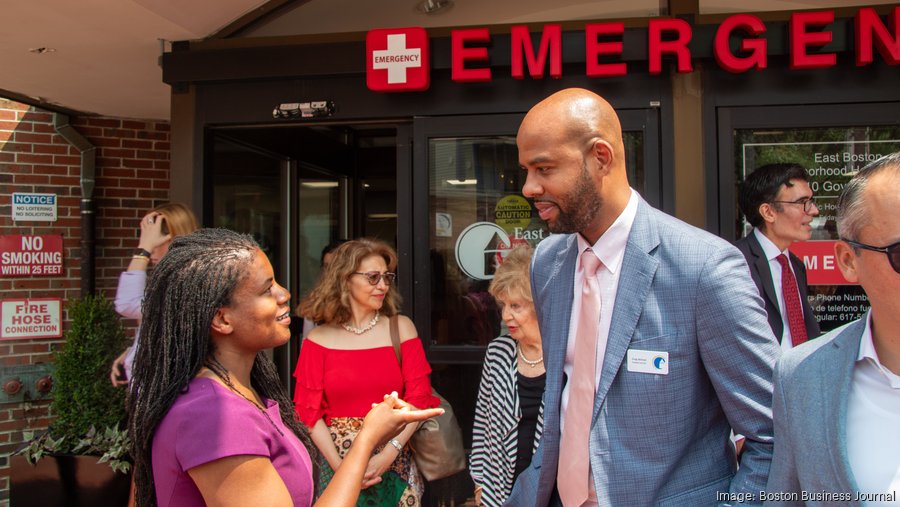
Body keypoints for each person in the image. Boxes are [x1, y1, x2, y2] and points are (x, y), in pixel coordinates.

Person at [507, 88, 780, 507]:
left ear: (601, 157)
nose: (528, 187)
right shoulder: (548, 261)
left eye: (544, 168)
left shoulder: (703, 269)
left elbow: (772, 436)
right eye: (526, 169)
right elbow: (567, 400)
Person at [127, 228, 443, 507]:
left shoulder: (242, 396)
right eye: (267, 289)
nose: (284, 294)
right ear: (222, 319)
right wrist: (365, 442)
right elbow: (309, 410)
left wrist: (381, 448)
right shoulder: (214, 417)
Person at [766, 153, 900, 506]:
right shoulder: (802, 377)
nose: (810, 211)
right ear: (847, 261)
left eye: (812, 202)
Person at [294, 238, 440, 506]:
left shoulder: (401, 328)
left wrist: (386, 457)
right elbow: (308, 413)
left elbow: (419, 400)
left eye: (387, 277)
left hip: (395, 461)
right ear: (345, 279)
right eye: (373, 277)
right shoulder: (317, 340)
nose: (383, 285)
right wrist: (343, 468)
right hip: (335, 462)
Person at [470, 244, 544, 507]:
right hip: (500, 489)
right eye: (503, 305)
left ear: (540, 304)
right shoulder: (498, 351)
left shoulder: (566, 354)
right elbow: (482, 423)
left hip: (552, 490)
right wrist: (479, 482)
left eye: (516, 306)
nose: (505, 315)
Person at [110, 202, 198, 386]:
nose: (152, 250)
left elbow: (127, 303)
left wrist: (143, 250)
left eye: (157, 241)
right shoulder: (173, 279)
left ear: (177, 239)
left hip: (167, 394)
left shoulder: (188, 282)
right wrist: (133, 352)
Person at [736, 163, 822, 350]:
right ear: (768, 212)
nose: (814, 210)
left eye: (812, 201)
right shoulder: (736, 263)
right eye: (802, 202)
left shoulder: (795, 266)